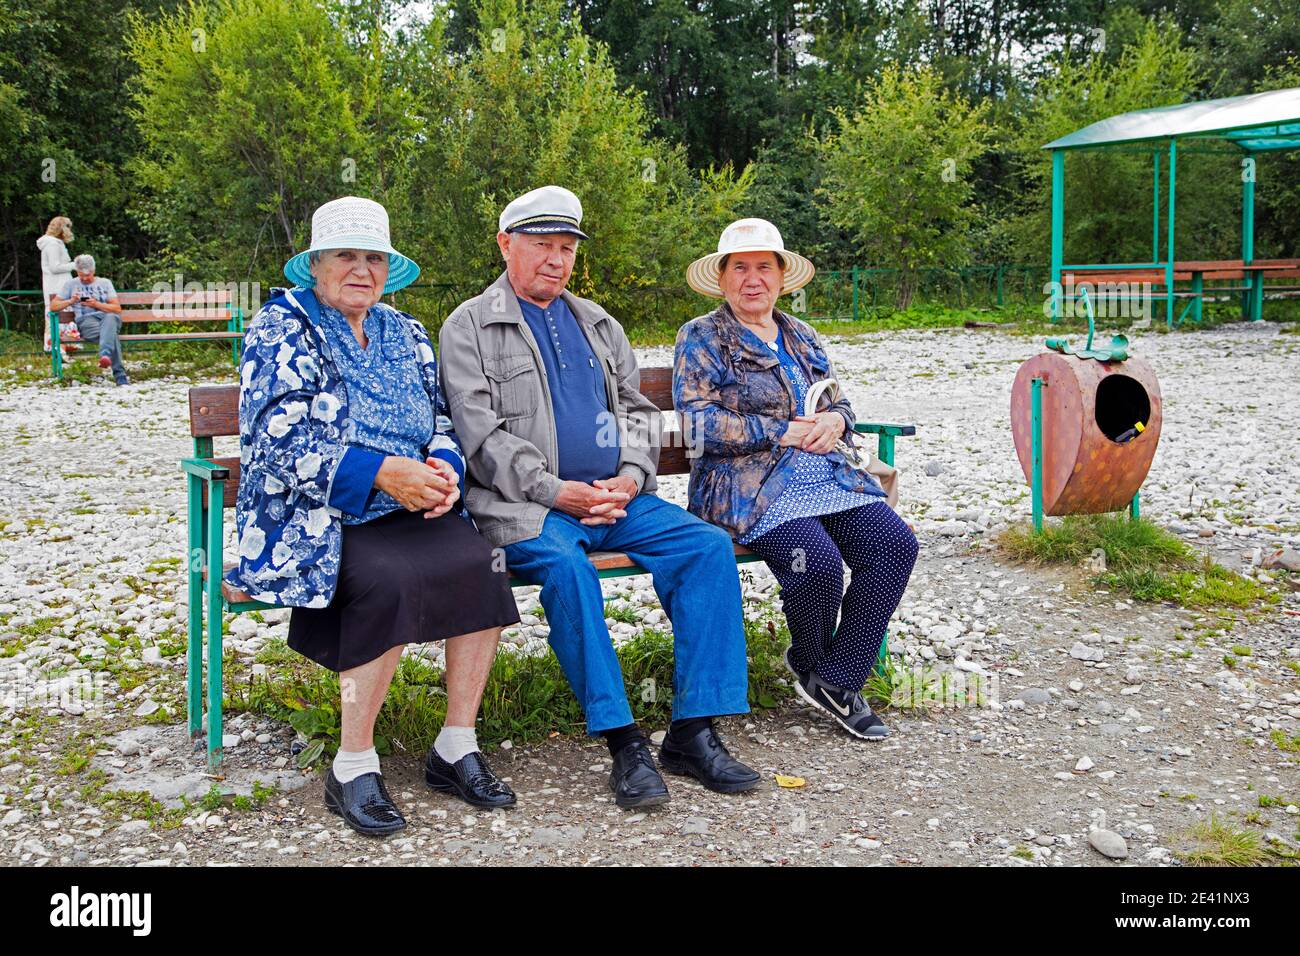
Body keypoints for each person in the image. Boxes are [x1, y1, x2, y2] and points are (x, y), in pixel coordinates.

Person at [439, 186, 760, 809]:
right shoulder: (470, 326)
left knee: (706, 548)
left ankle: (694, 730)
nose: (555, 261)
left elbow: (637, 414)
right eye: (541, 247)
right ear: (506, 245)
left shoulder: (596, 323)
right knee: (567, 570)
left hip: (615, 501)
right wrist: (558, 492)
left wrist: (632, 478)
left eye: (565, 249)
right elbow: (479, 436)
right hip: (526, 507)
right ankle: (624, 741)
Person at [226, 196, 521, 837]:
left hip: (411, 502)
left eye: (373, 258)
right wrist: (382, 472)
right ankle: (353, 763)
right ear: (315, 266)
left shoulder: (405, 332)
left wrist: (441, 467)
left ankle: (455, 746)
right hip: (321, 513)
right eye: (345, 256)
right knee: (386, 582)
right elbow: (276, 437)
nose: (361, 269)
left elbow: (441, 419)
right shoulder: (281, 327)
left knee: (481, 565)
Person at [674, 218, 918, 740]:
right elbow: (696, 424)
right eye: (740, 267)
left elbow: (838, 400)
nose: (752, 278)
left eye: (765, 266)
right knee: (820, 564)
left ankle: (835, 677)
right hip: (747, 485)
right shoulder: (701, 336)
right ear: (722, 278)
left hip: (825, 478)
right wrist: (780, 430)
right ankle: (812, 660)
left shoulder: (801, 333)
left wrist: (837, 421)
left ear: (782, 276)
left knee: (895, 543)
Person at [47, 255, 126, 385]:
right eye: (80, 274)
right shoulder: (70, 284)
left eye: (87, 275)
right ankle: (120, 376)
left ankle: (105, 355)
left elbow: (116, 309)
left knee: (111, 317)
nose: (83, 278)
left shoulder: (105, 283)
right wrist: (71, 301)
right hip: (86, 321)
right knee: (111, 336)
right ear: (76, 272)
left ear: (93, 271)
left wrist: (96, 304)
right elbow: (54, 306)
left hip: (108, 319)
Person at [37, 216, 78, 355]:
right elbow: (54, 267)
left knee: (64, 315)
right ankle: (57, 347)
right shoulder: (52, 244)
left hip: (60, 284)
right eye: (68, 226)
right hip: (56, 285)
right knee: (58, 315)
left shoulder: (55, 243)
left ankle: (65, 346)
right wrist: (74, 265)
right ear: (62, 228)